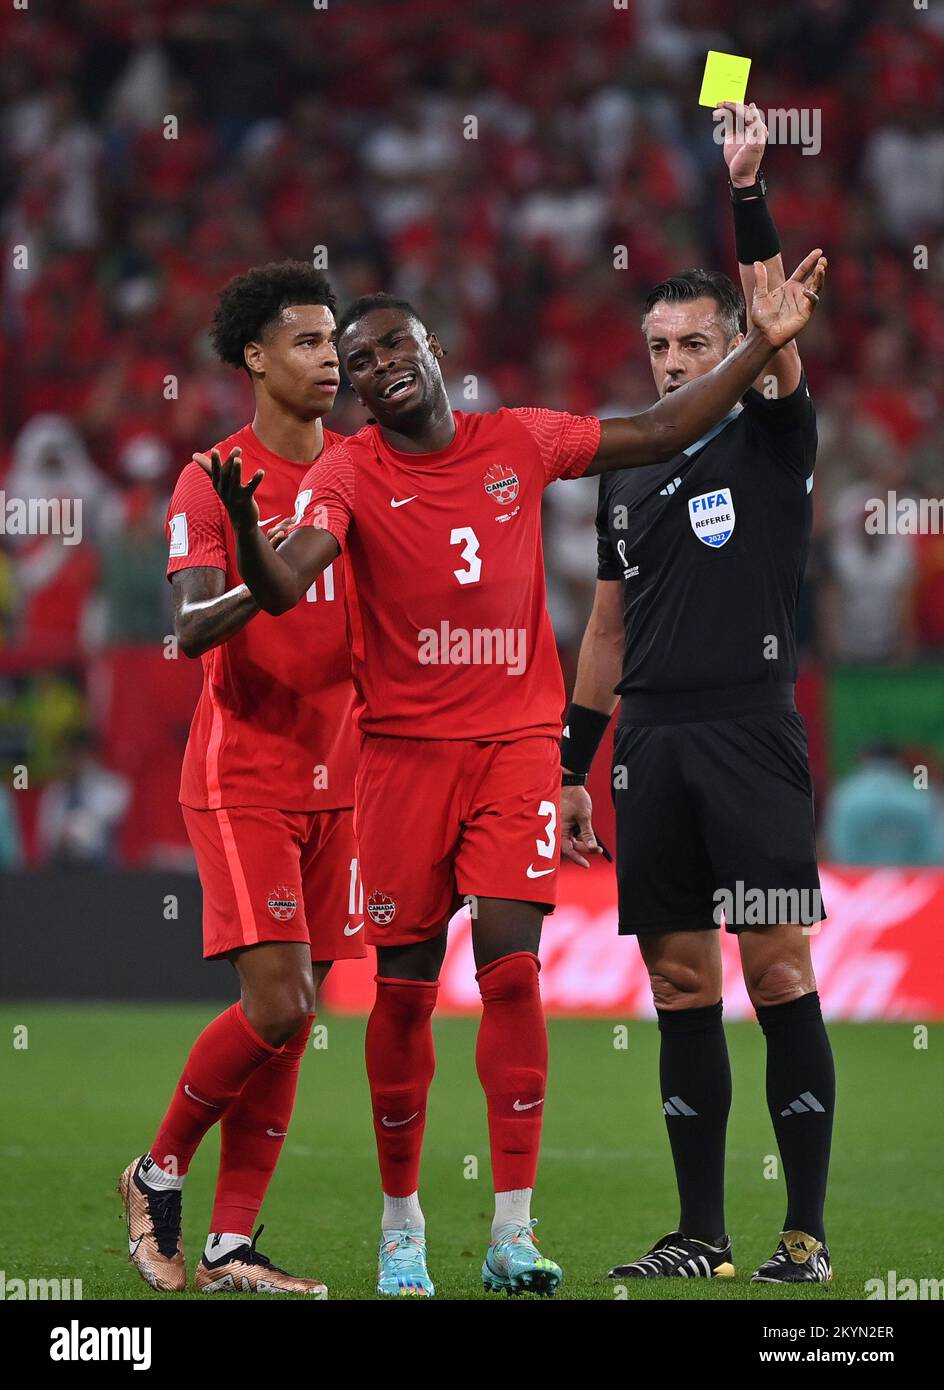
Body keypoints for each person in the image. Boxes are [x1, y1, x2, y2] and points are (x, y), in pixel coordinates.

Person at [197, 243, 825, 1298]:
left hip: (516, 753)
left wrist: (761, 344)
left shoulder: (520, 440)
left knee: (516, 973)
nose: (379, 366)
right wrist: (247, 547)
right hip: (398, 758)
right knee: (401, 994)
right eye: (358, 360)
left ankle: (513, 1231)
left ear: (435, 350)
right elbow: (288, 578)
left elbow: (658, 428)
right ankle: (402, 1230)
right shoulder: (348, 470)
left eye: (394, 345)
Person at [560, 104, 834, 1284]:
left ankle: (802, 1236)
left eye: (690, 343)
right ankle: (699, 1235)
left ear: (729, 342)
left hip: (749, 732)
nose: (671, 362)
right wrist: (568, 764)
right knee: (678, 983)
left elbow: (774, 324)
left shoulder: (769, 434)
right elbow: (605, 626)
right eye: (658, 346)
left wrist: (745, 193)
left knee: (775, 974)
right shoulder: (625, 466)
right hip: (652, 744)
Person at [118, 261, 365, 1297]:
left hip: (345, 778)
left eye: (334, 341)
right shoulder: (211, 477)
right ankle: (155, 1170)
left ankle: (229, 1246)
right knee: (278, 1001)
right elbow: (187, 628)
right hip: (244, 774)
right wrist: (274, 568)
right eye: (306, 341)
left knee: (296, 1020)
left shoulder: (362, 467)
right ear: (255, 358)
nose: (329, 359)